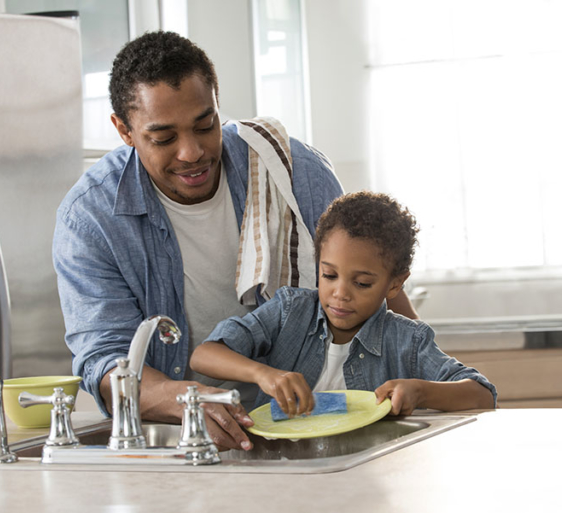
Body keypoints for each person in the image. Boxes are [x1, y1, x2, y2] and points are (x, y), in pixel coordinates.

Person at [52, 32, 417, 451]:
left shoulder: (294, 174)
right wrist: (192, 401)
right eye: (164, 138)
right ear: (124, 130)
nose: (191, 152)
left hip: (311, 423)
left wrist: (430, 377)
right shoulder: (91, 218)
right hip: (184, 437)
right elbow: (106, 362)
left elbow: (378, 277)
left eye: (205, 126)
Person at [190, 192, 496, 417]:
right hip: (282, 466)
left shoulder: (407, 341)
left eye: (361, 283)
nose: (340, 293)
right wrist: (263, 374)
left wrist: (420, 389)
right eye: (329, 275)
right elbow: (204, 356)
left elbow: (483, 395)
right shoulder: (289, 312)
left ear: (394, 283)